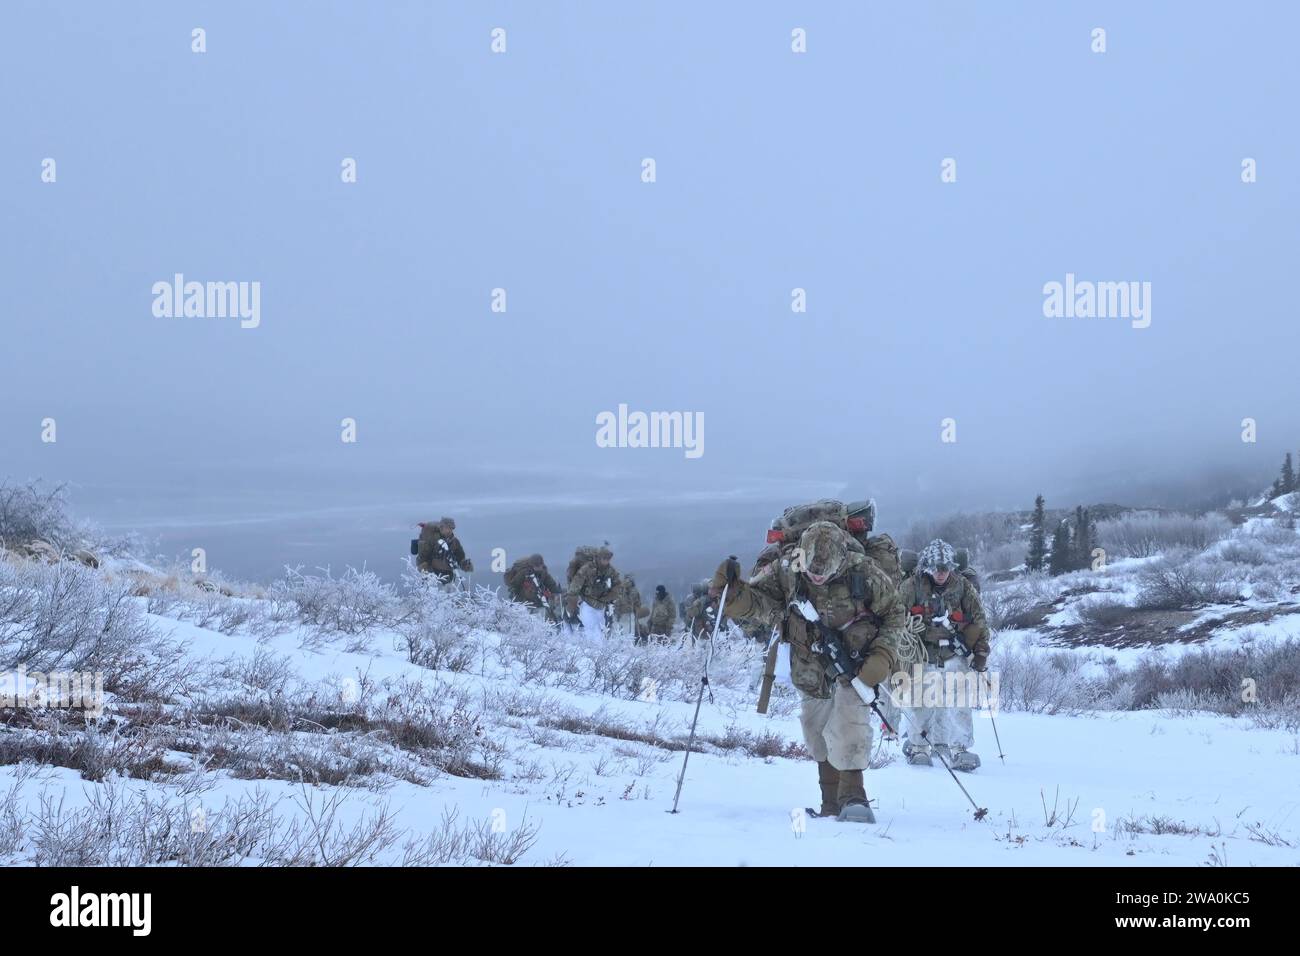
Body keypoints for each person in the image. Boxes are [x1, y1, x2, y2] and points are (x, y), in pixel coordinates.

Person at [712, 521, 903, 822]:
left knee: (850, 722)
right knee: (816, 729)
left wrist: (882, 655)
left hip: (855, 664)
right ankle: (830, 803)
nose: (816, 576)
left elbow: (894, 612)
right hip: (808, 664)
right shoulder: (787, 569)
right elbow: (764, 605)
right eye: (812, 570)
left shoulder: (864, 572)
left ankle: (854, 798)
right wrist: (734, 594)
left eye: (823, 572)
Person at [896, 539, 990, 772]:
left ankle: (960, 749)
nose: (941, 574)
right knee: (921, 701)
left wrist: (981, 651)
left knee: (960, 702)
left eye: (945, 569)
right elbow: (895, 617)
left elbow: (979, 618)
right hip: (922, 651)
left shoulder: (962, 586)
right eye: (937, 569)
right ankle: (919, 747)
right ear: (928, 566)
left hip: (953, 652)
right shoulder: (911, 586)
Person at [564, 546, 622, 637]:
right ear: (599, 558)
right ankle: (591, 649)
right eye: (604, 558)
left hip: (601, 605)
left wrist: (610, 596)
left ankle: (599, 649)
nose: (606, 561)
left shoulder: (610, 570)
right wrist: (571, 604)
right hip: (587, 604)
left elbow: (618, 585)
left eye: (608, 559)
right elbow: (575, 585)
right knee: (592, 631)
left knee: (601, 630)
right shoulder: (587, 569)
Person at [416, 517, 473, 583]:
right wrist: (424, 569)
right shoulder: (432, 539)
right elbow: (423, 556)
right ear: (441, 527)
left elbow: (460, 556)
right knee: (434, 592)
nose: (449, 530)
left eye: (451, 528)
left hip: (448, 576)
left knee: (448, 592)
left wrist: (465, 564)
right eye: (447, 528)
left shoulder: (454, 541)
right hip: (432, 576)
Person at [504, 553, 559, 619]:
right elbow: (514, 585)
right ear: (531, 565)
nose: (538, 568)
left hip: (536, 598)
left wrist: (556, 592)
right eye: (536, 566)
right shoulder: (524, 572)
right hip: (523, 599)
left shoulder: (543, 571)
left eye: (540, 566)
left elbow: (550, 583)